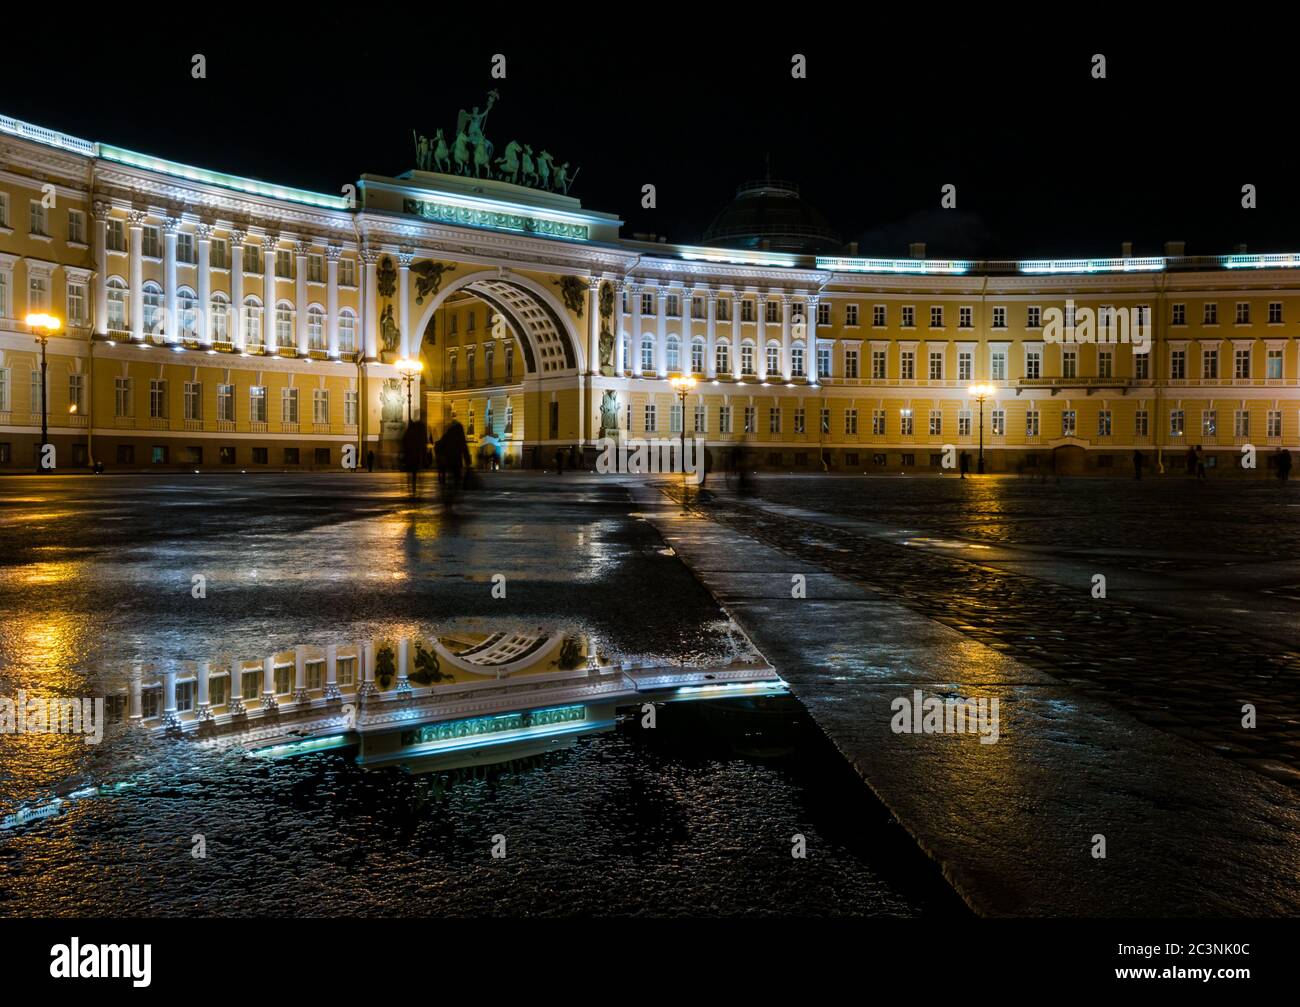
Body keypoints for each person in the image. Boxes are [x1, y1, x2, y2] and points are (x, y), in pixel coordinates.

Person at [434, 419, 472, 506]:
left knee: (451, 480)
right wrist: (467, 461)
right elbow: (464, 447)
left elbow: (440, 446)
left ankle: (448, 497)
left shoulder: (447, 435)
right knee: (457, 480)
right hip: (457, 461)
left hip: (448, 461)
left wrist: (440, 458)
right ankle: (452, 497)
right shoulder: (459, 434)